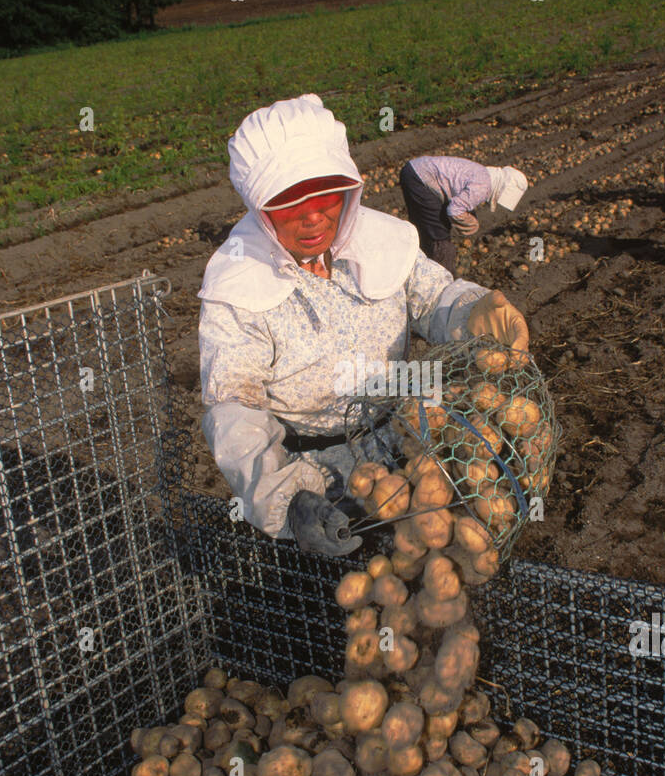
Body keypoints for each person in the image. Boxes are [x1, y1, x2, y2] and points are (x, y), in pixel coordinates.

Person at [198, 94, 530, 556]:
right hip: (310, 473)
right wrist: (287, 500)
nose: (313, 217)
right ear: (261, 207)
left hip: (402, 446)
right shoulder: (238, 280)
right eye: (289, 205)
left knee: (428, 562)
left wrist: (472, 307)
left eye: (324, 196)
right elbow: (234, 408)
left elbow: (434, 296)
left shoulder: (380, 238)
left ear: (347, 190)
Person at [399, 156, 529, 273]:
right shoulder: (483, 186)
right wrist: (470, 224)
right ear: (502, 186)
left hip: (415, 171)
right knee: (439, 234)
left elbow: (459, 199)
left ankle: (415, 264)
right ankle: (443, 278)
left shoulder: (484, 175)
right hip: (419, 177)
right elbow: (454, 210)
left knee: (425, 227)